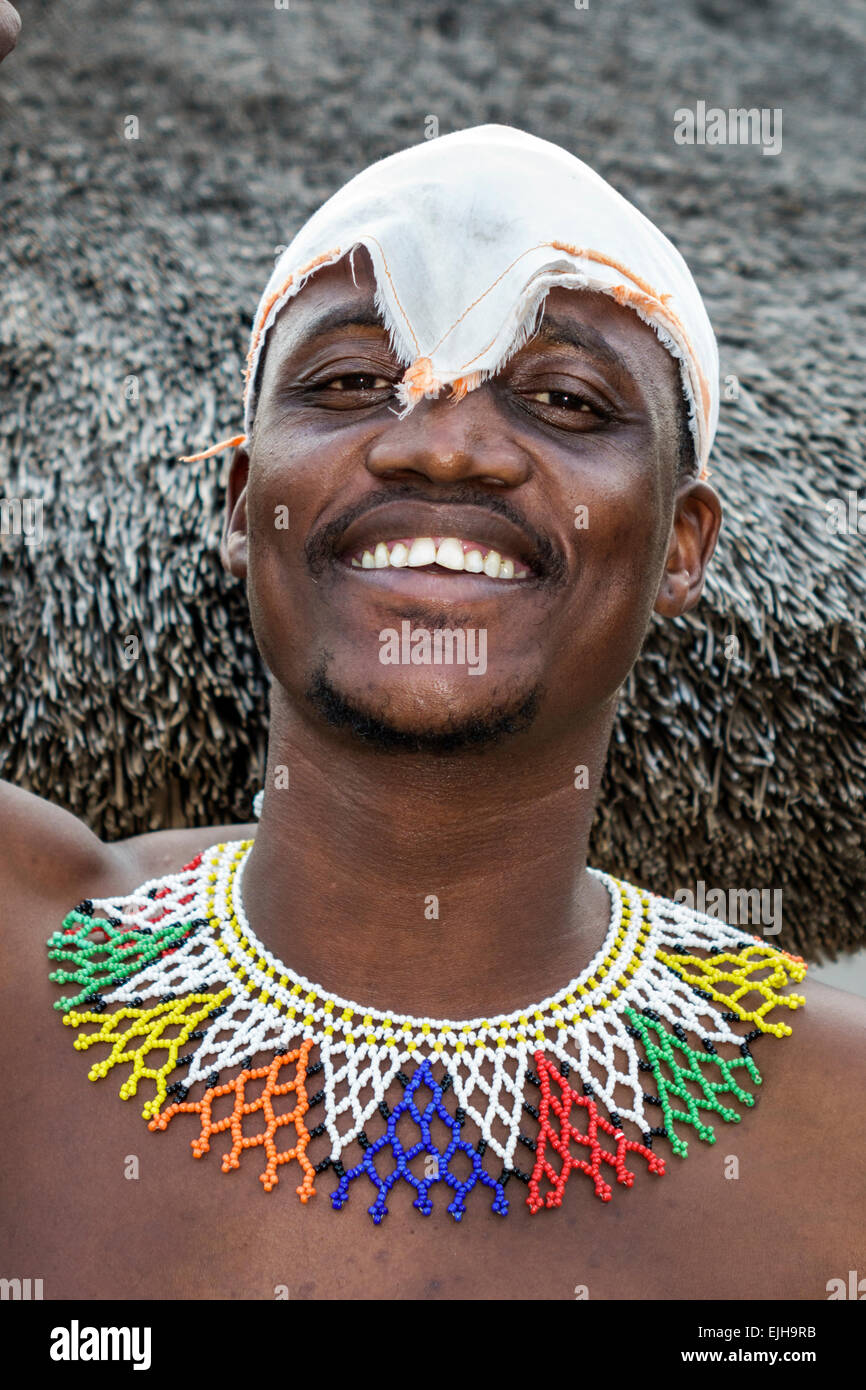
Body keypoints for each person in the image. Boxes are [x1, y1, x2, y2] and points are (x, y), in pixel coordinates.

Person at [1, 126, 863, 1301]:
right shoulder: (18, 952)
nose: (444, 446)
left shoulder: (841, 1134)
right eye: (356, 381)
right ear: (246, 500)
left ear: (678, 545)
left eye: (563, 398)